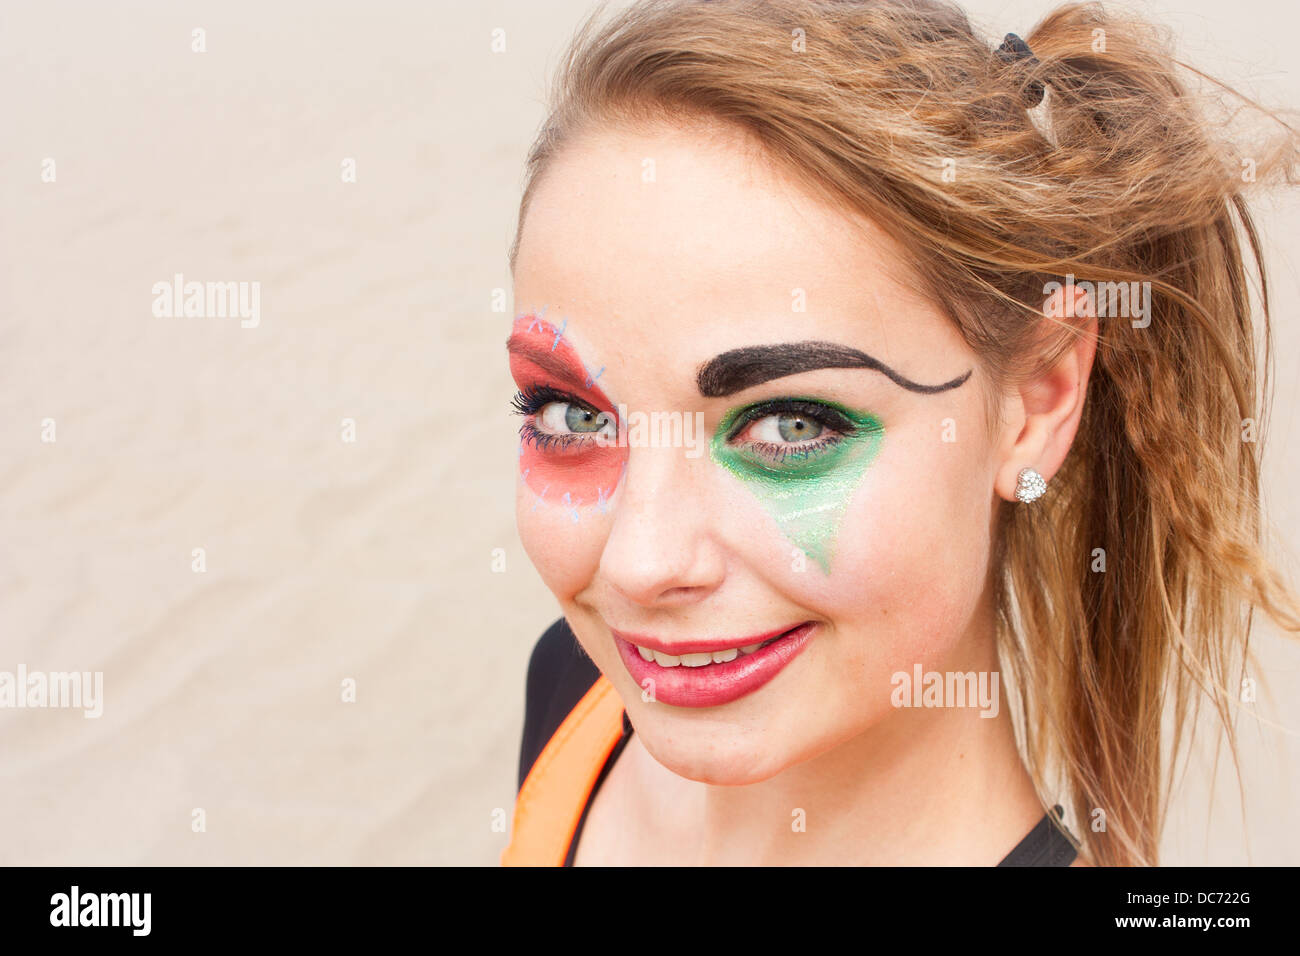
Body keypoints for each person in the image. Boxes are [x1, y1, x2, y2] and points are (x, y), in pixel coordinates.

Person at [500, 0, 1300, 866]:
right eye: (571, 416)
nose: (638, 567)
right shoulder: (579, 698)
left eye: (790, 424)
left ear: (1036, 401)